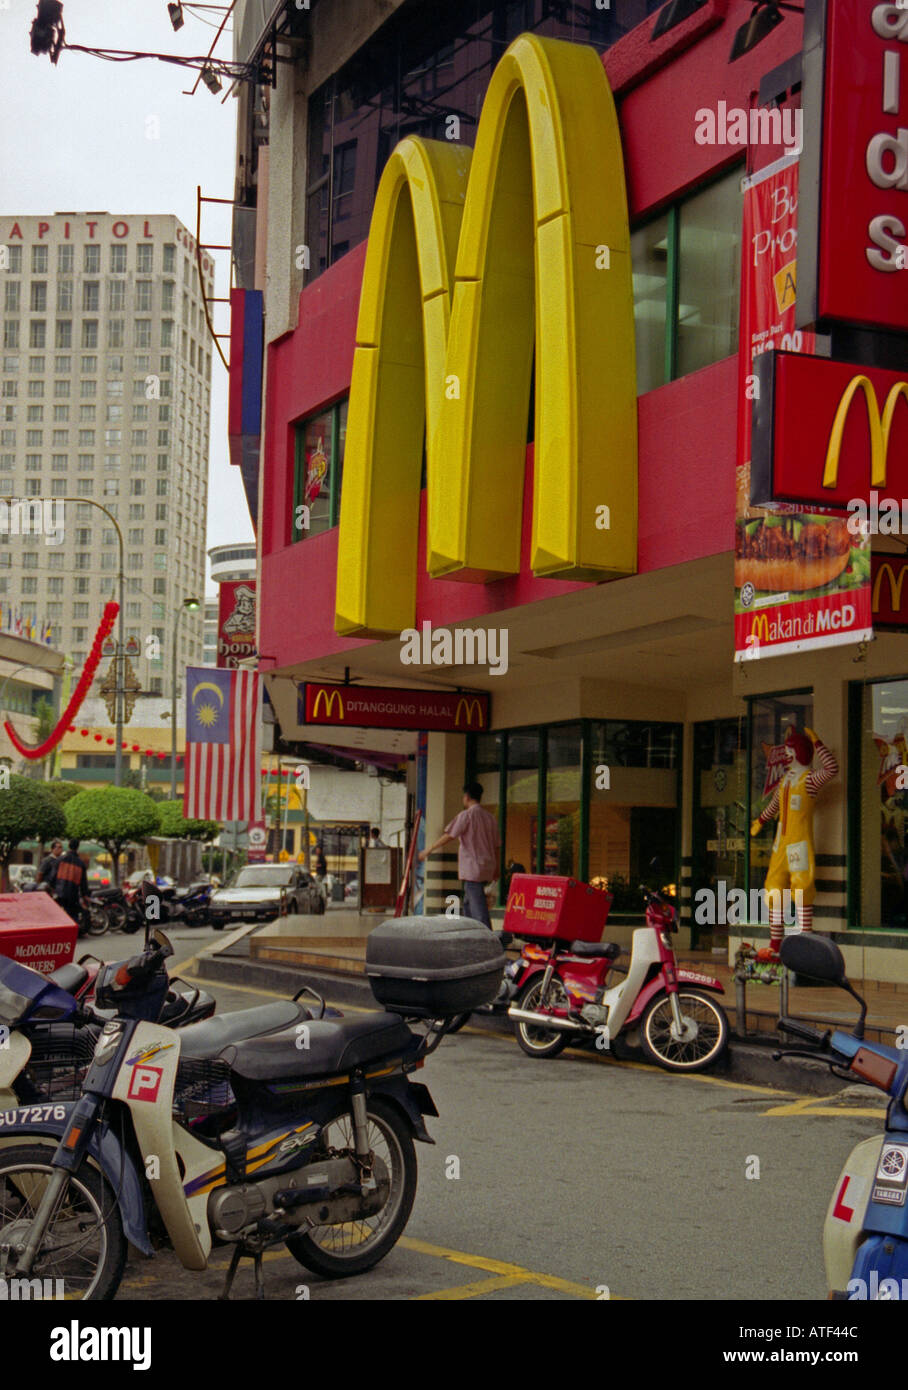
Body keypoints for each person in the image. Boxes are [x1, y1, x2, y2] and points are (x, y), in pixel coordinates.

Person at [419, 781, 500, 929]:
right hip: (487, 867)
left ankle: (487, 937)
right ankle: (469, 932)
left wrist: (429, 850)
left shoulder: (466, 816)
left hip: (472, 869)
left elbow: (450, 835)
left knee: (478, 908)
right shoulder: (490, 818)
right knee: (468, 903)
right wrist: (497, 868)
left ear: (467, 796)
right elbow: (497, 846)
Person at [53, 839, 89, 924]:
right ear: (78, 847)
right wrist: (85, 894)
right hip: (72, 894)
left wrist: (52, 888)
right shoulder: (80, 863)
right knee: (73, 916)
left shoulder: (60, 859)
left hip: (59, 892)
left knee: (57, 914)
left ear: (69, 846)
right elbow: (83, 882)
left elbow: (53, 876)